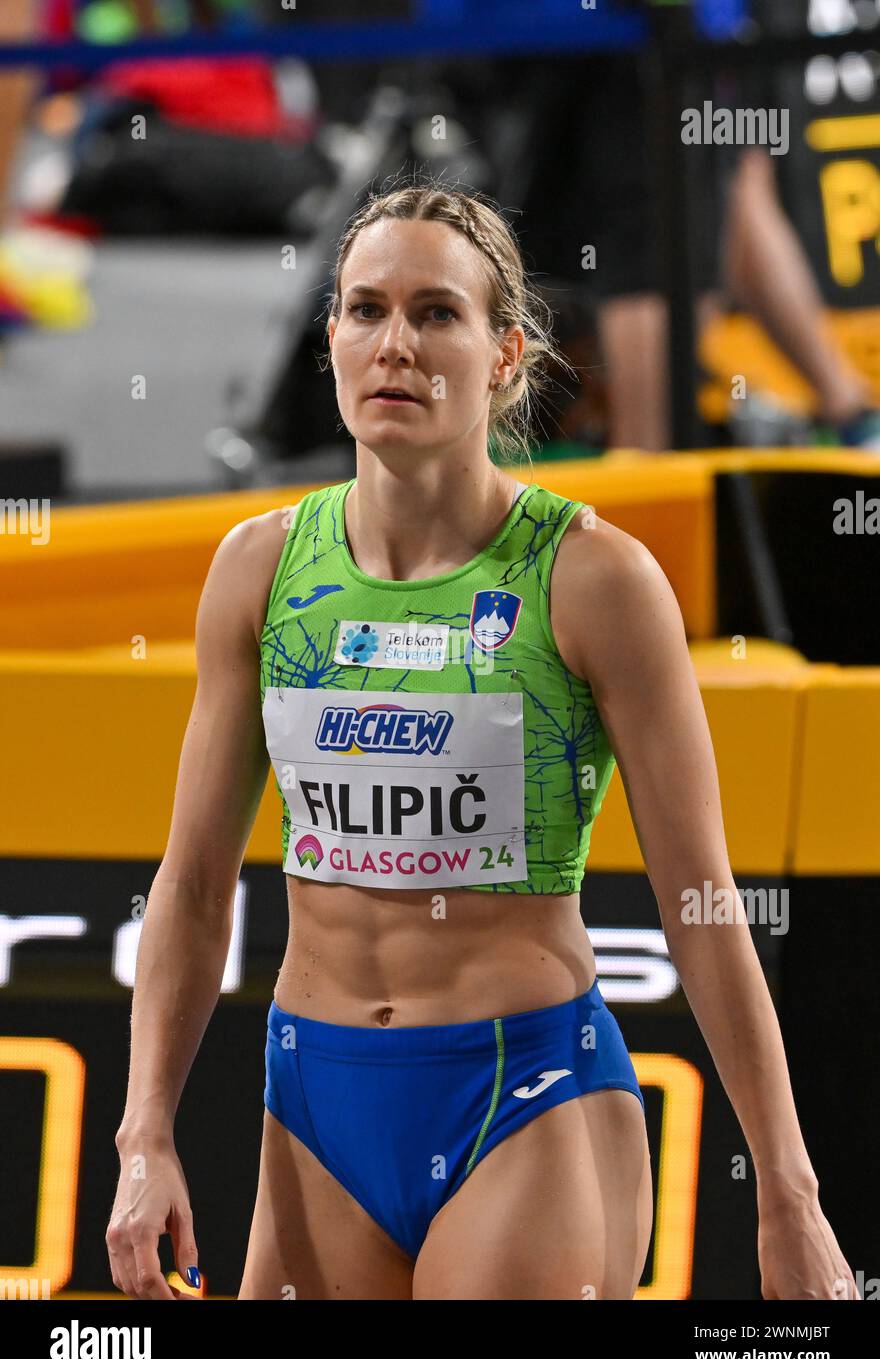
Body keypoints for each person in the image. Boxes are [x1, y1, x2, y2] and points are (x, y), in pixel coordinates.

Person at [107, 177, 858, 1301]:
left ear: (506, 354)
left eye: (435, 313)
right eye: (365, 310)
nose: (394, 344)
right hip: (314, 1103)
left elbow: (701, 901)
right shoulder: (260, 571)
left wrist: (789, 1194)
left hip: (522, 1098)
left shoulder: (594, 579)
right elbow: (195, 881)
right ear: (331, 340)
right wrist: (141, 1136)